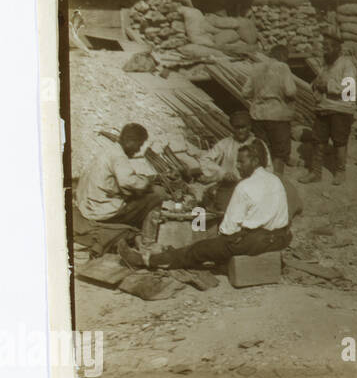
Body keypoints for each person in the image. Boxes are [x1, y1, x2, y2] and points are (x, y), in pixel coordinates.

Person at [121, 141, 293, 272]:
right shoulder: (275, 180)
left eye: (241, 162)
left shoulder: (245, 186)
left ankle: (148, 261)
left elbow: (228, 230)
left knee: (199, 249)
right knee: (218, 243)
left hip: (257, 242)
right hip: (281, 239)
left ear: (255, 161)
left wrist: (215, 243)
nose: (238, 166)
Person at [72, 123, 163, 255]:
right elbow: (129, 182)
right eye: (139, 145)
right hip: (101, 212)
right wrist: (148, 182)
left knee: (137, 195)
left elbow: (119, 182)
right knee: (158, 194)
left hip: (87, 207)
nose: (138, 150)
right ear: (131, 142)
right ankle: (148, 244)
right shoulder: (119, 156)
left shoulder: (107, 151)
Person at [301, 35, 357, 186]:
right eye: (323, 47)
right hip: (323, 108)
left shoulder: (347, 65)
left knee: (339, 142)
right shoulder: (326, 66)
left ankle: (340, 172)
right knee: (318, 141)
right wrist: (314, 85)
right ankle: (315, 173)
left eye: (328, 47)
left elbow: (349, 90)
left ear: (337, 48)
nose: (324, 50)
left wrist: (326, 86)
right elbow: (318, 82)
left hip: (340, 110)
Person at [241, 44, 297, 175]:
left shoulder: (256, 67)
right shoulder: (283, 67)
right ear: (283, 56)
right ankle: (276, 181)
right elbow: (290, 91)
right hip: (277, 116)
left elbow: (245, 92)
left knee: (263, 149)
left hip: (258, 115)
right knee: (279, 151)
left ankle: (263, 180)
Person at [198, 111, 268, 213]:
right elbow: (205, 160)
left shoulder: (258, 144)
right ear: (232, 127)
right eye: (237, 128)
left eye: (243, 127)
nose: (240, 131)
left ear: (249, 127)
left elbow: (267, 168)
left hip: (252, 187)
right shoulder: (225, 143)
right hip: (229, 185)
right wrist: (223, 173)